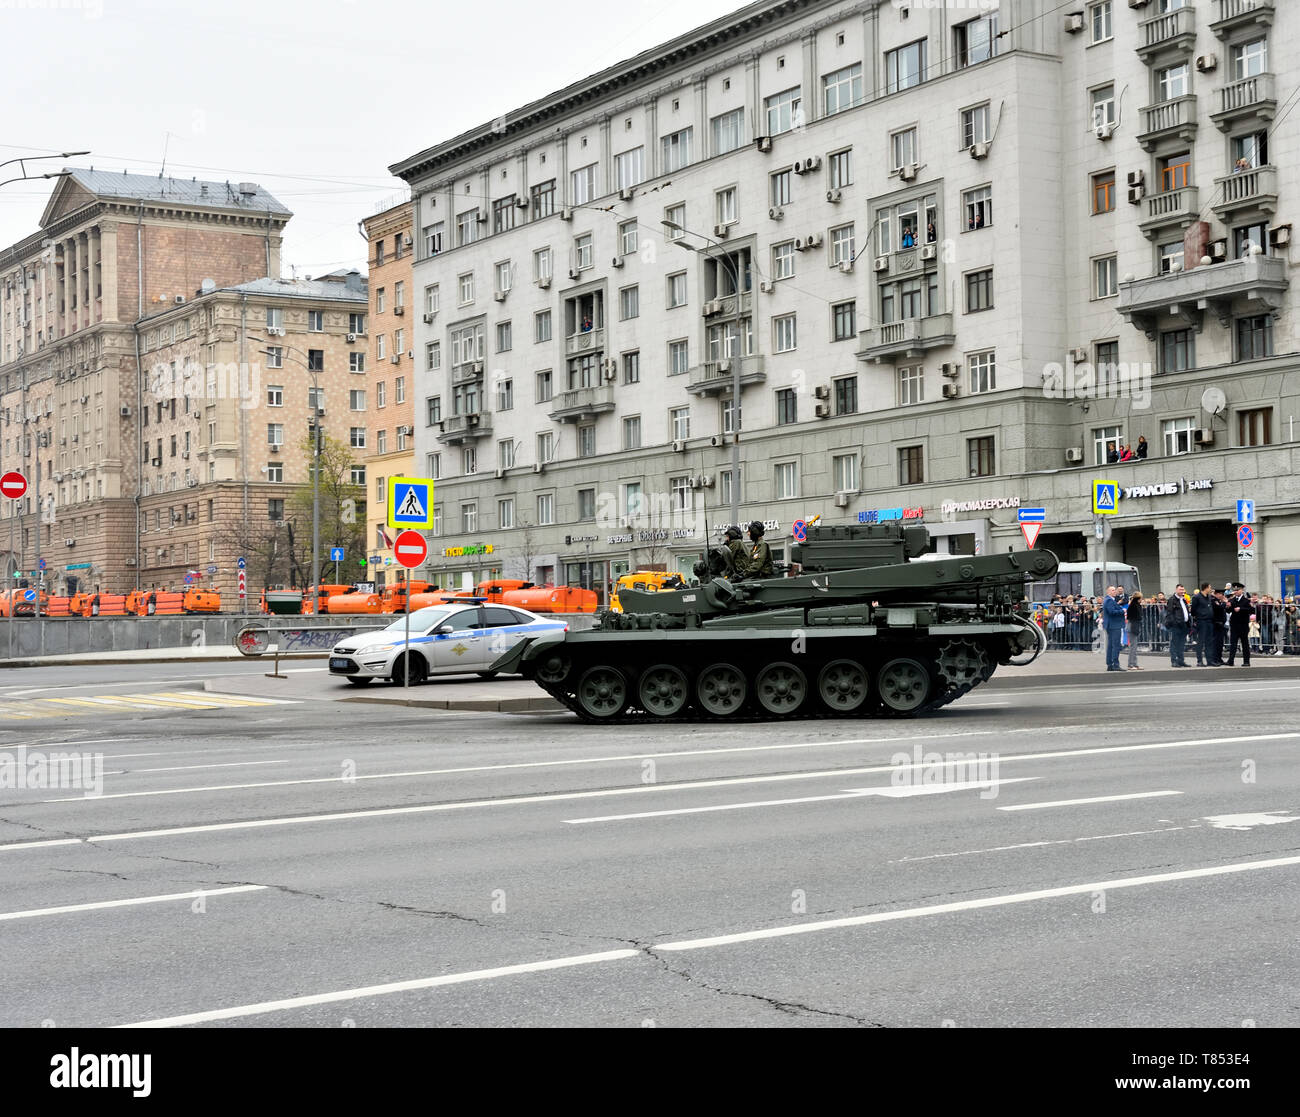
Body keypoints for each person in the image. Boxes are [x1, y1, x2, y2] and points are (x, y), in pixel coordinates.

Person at [1226, 582, 1254, 666]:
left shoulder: (1246, 600)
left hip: (1243, 625)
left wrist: (1241, 609)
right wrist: (1227, 607)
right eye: (1235, 590)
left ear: (1242, 590)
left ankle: (1246, 661)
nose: (1236, 592)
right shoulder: (1232, 600)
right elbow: (1228, 610)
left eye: (1238, 590)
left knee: (1245, 643)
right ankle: (1231, 660)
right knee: (1233, 643)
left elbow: (1251, 610)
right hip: (1234, 624)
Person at [1191, 582, 1219, 666]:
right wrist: (1199, 616)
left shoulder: (1209, 597)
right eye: (1210, 587)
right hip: (1201, 621)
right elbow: (1193, 610)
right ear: (1206, 588)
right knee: (1201, 641)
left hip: (1209, 621)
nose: (1211, 589)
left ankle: (1209, 661)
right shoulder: (1197, 597)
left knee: (1209, 642)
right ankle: (1199, 661)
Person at [1165, 584, 1190, 667]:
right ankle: (1174, 661)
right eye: (1180, 589)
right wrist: (1175, 623)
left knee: (1181, 644)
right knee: (1174, 644)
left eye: (1183, 590)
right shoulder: (1172, 600)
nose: (1182, 591)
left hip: (1184, 625)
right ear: (1176, 590)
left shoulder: (1183, 600)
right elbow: (1170, 613)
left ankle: (1181, 660)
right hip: (1176, 626)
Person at [1102, 585, 1126, 672]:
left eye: (1114, 590)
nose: (1114, 591)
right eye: (1112, 590)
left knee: (1111, 646)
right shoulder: (1109, 600)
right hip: (1114, 625)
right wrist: (1122, 611)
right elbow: (1112, 612)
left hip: (1112, 625)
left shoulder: (1110, 600)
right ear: (1108, 592)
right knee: (1115, 645)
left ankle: (1110, 664)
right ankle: (1115, 664)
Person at [1125, 591, 1144, 670]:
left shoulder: (1135, 605)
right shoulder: (1133, 606)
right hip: (1132, 626)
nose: (1142, 600)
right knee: (1133, 647)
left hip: (1134, 626)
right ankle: (1131, 664)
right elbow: (1136, 617)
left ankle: (1135, 664)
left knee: (1134, 647)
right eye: (1141, 598)